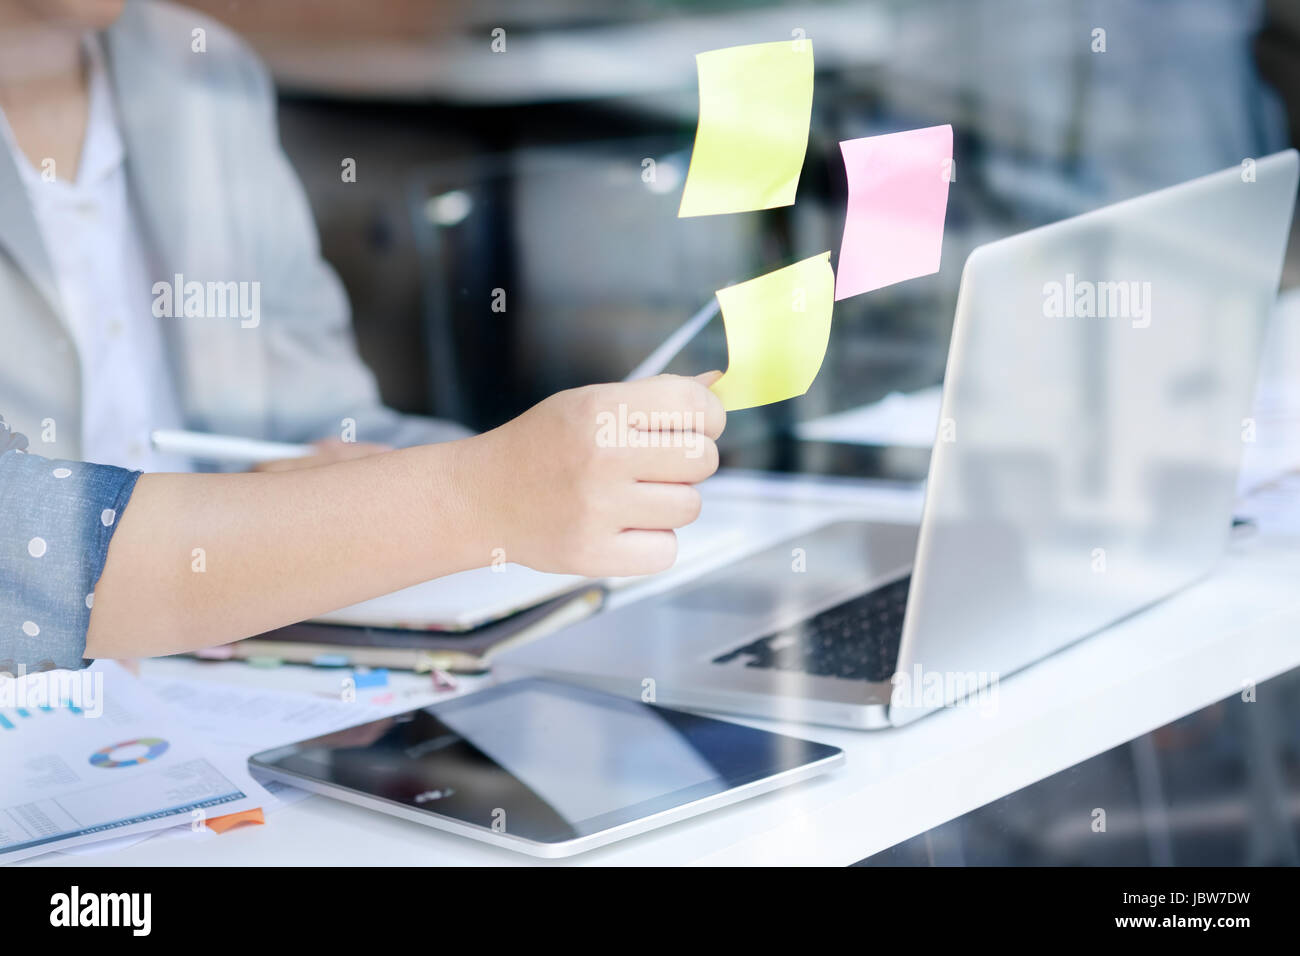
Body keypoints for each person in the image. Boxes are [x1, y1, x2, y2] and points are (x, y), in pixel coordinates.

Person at [0, 0, 726, 672]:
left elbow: (321, 429)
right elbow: (21, 550)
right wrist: (482, 494)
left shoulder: (197, 71)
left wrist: (550, 477)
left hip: (225, 690)